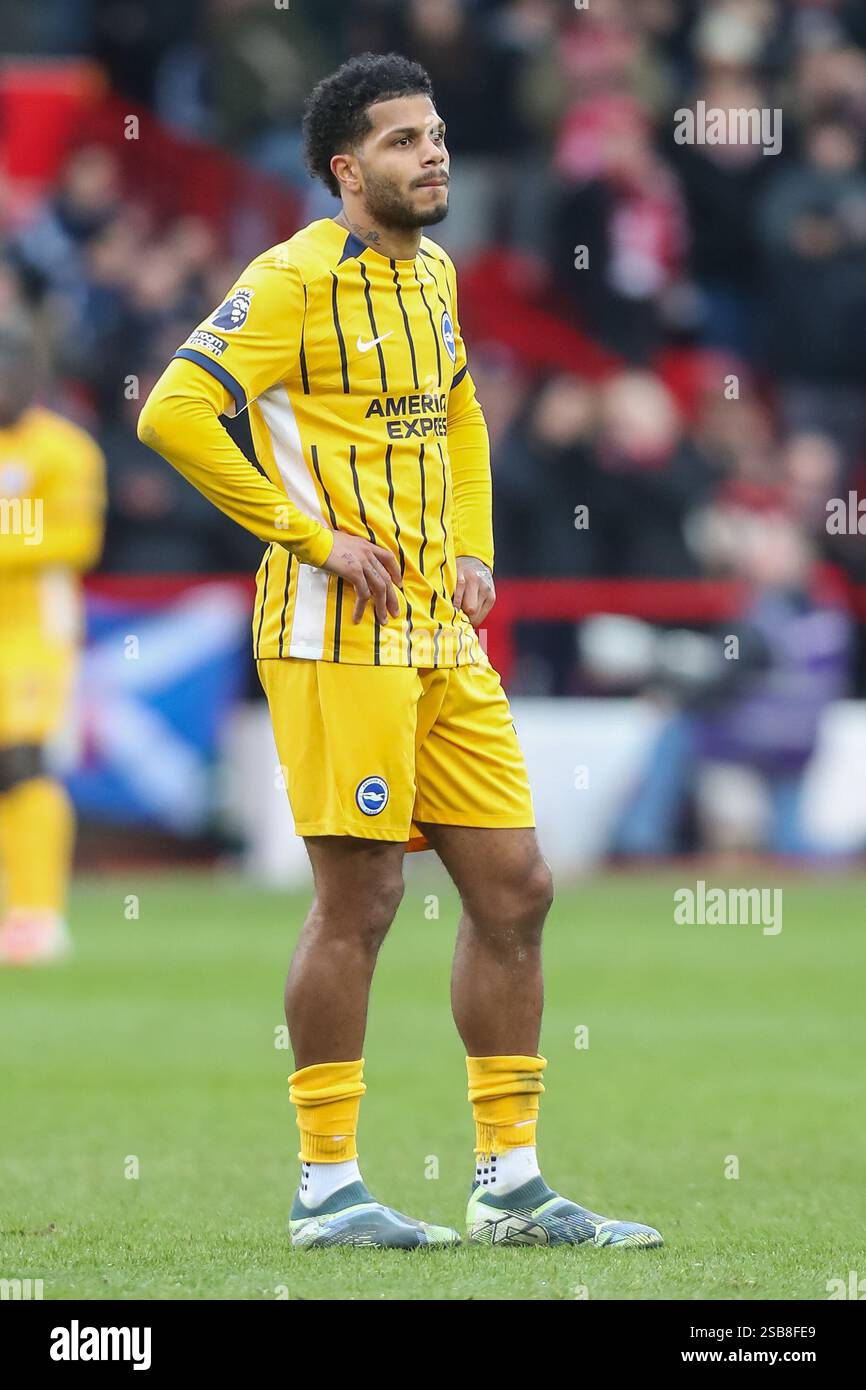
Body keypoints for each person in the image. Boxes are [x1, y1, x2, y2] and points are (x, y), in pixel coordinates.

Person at [138, 51, 662, 1251]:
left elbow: (465, 410)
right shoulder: (287, 281)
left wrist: (473, 544)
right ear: (344, 167)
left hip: (439, 626)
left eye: (434, 135)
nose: (431, 153)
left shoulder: (430, 275)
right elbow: (171, 409)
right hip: (335, 633)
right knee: (361, 896)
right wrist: (309, 536)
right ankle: (328, 1189)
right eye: (401, 140)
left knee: (516, 890)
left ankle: (509, 1182)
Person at [0, 328, 105, 964]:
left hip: (33, 633)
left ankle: (40, 916)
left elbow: (78, 539)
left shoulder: (64, 450)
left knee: (25, 759)